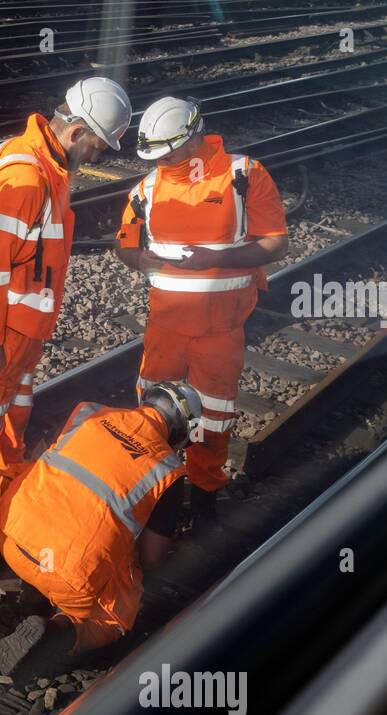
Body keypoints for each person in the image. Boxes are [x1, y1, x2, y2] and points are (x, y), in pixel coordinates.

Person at [0, 76, 134, 558]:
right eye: (97, 145)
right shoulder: (26, 178)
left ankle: (10, 475)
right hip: (1, 327)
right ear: (77, 131)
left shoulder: (45, 166)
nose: (98, 156)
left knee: (13, 407)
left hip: (23, 327)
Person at [115, 96, 288, 521]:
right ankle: (158, 495)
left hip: (221, 331)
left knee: (214, 415)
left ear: (192, 139)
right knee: (154, 415)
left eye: (169, 153)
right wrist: (137, 259)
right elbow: (124, 244)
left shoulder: (243, 175)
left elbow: (276, 243)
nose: (163, 162)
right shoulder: (147, 190)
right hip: (165, 329)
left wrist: (217, 260)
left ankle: (207, 494)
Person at [0, 381, 203, 679]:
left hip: (10, 535)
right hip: (66, 578)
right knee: (117, 611)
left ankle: (33, 591)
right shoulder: (168, 471)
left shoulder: (88, 412)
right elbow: (152, 559)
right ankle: (59, 629)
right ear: (181, 432)